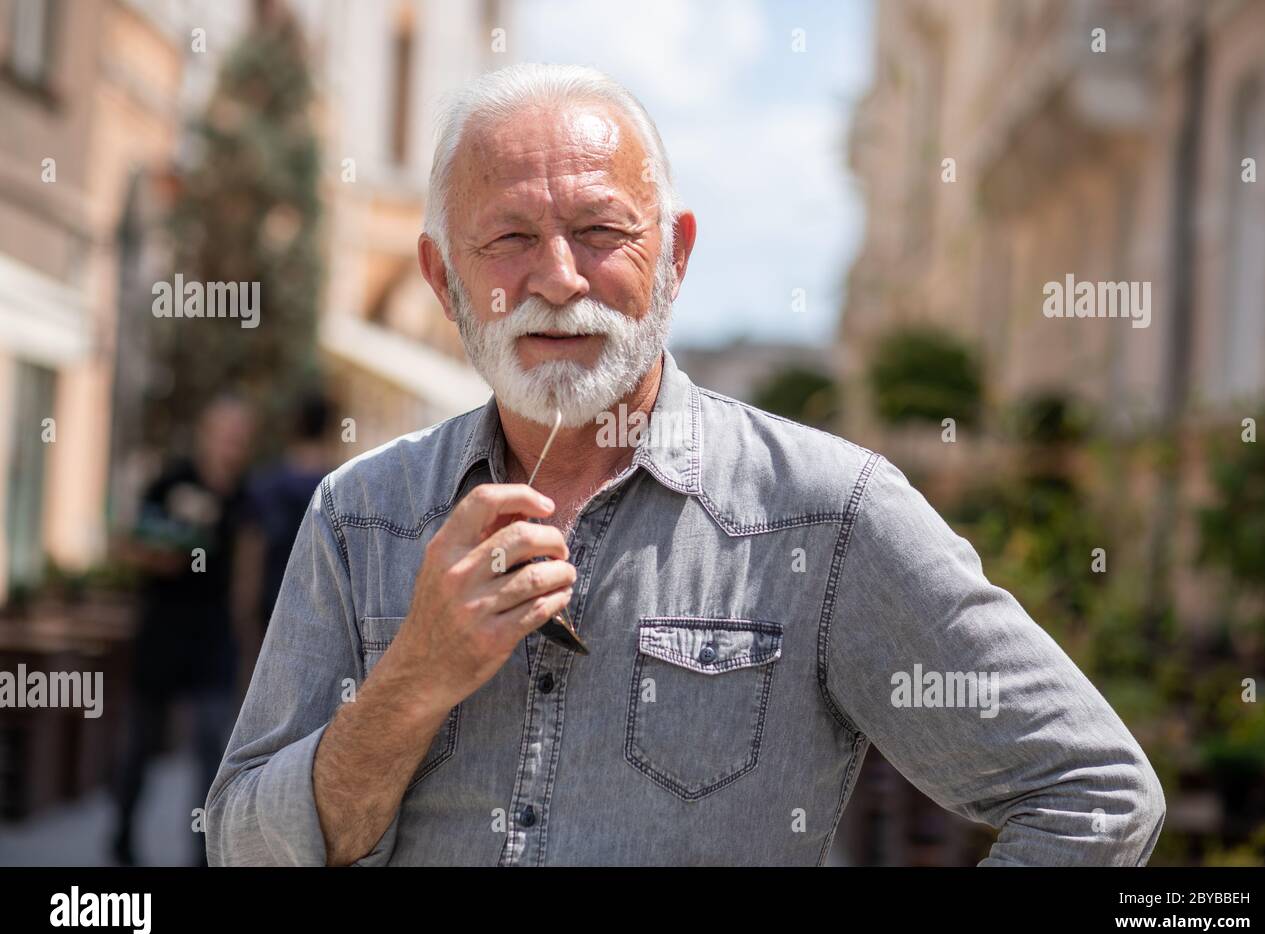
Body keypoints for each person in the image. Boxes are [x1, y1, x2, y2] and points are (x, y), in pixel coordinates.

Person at [206, 64, 1165, 866]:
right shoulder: (360, 514)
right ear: (442, 278)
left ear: (675, 255)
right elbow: (242, 846)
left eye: (601, 231)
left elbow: (1094, 795)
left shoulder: (828, 514)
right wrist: (413, 679)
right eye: (508, 238)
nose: (559, 278)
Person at [112, 394, 253, 866]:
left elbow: (246, 576)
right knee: (140, 743)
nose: (231, 446)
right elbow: (128, 543)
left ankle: (202, 851)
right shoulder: (170, 482)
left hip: (212, 638)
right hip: (162, 631)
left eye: (239, 437)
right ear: (205, 435)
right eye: (225, 434)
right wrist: (160, 556)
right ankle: (122, 835)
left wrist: (245, 634)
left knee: (211, 750)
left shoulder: (243, 498)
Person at [232, 391, 337, 696]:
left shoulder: (265, 485)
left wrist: (243, 620)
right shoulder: (342, 485)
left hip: (270, 615)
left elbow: (250, 559)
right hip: (323, 621)